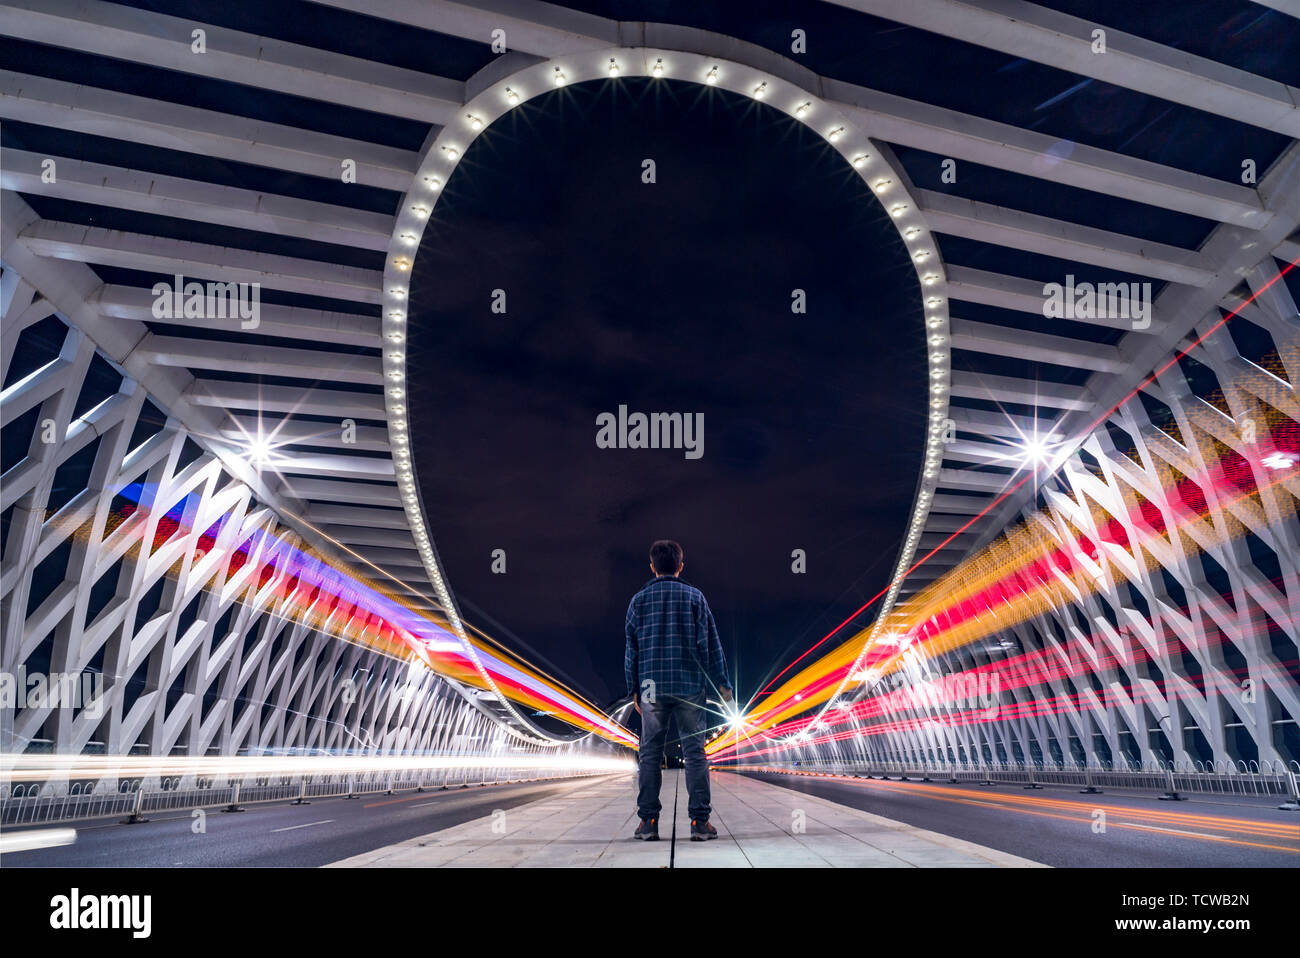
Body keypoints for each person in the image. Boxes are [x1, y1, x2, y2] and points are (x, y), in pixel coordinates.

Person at [624, 539, 733, 842]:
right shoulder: (694, 598)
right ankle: (699, 823)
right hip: (689, 685)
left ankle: (648, 823)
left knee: (649, 754)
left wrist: (633, 688)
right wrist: (723, 685)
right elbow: (711, 646)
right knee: (695, 753)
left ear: (652, 567)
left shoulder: (638, 601)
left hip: (651, 687)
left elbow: (631, 651)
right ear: (681, 566)